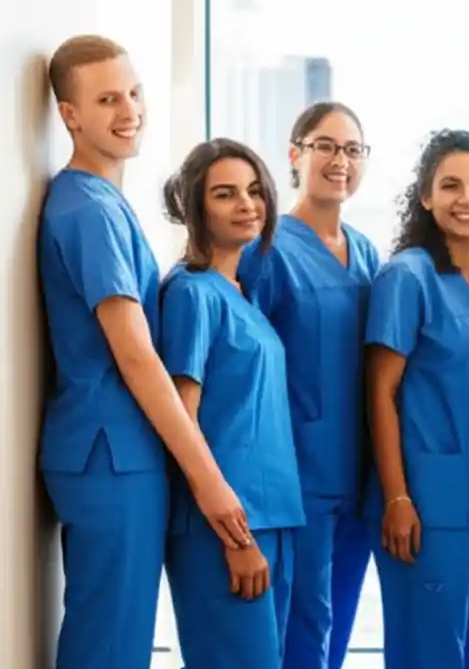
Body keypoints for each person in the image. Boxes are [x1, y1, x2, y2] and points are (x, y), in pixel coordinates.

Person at [38, 35, 252, 669]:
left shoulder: (104, 202)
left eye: (133, 92)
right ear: (70, 114)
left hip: (116, 451)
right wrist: (209, 481)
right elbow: (134, 356)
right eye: (107, 99)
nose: (129, 109)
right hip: (110, 453)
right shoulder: (87, 210)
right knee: (109, 645)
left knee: (120, 638)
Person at [365, 129, 469, 668]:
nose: (466, 199)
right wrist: (396, 498)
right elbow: (380, 392)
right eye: (450, 185)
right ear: (425, 197)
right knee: (429, 655)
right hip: (426, 502)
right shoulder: (407, 277)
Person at [239, 101, 380, 669]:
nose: (339, 160)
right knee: (305, 622)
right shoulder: (266, 250)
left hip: (360, 475)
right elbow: (243, 365)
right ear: (295, 154)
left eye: (352, 149)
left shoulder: (366, 253)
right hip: (297, 475)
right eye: (325, 146)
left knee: (339, 621)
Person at [159, 139, 305, 668]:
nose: (247, 204)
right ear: (196, 206)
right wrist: (236, 539)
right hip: (225, 527)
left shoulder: (240, 293)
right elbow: (182, 421)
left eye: (254, 190)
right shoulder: (191, 292)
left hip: (274, 517)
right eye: (225, 194)